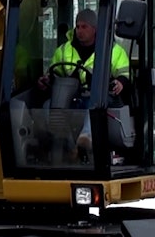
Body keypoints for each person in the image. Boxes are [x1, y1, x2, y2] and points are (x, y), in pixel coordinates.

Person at [37, 8, 130, 156]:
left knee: (92, 106)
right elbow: (54, 73)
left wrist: (120, 82)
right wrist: (46, 80)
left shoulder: (112, 50)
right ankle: (70, 147)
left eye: (84, 27)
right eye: (78, 26)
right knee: (49, 105)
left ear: (94, 29)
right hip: (73, 98)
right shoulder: (63, 50)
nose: (79, 31)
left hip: (99, 97)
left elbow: (124, 73)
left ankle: (86, 137)